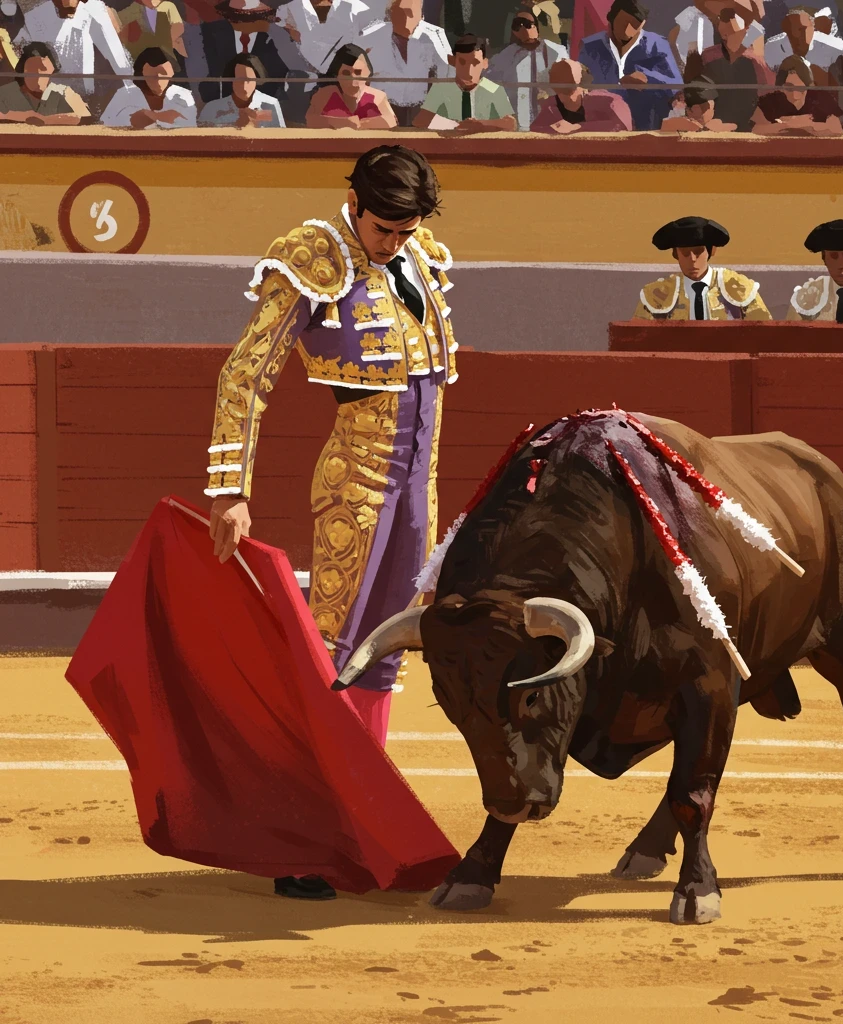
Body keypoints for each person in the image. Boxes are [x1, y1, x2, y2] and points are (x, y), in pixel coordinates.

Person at [205, 145, 458, 899]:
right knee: (329, 653)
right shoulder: (315, 257)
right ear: (353, 201)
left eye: (406, 231)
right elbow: (245, 371)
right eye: (385, 229)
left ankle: (360, 817)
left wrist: (407, 245)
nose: (395, 244)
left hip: (419, 486)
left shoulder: (418, 256)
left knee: (385, 652)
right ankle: (302, 836)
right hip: (358, 482)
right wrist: (228, 489)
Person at [633, 216, 772, 321]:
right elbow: (636, 343)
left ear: (711, 251)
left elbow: (766, 337)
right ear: (675, 254)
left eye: (698, 252)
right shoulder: (656, 294)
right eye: (685, 253)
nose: (692, 259)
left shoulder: (739, 287)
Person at [579, 0, 682, 130]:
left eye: (635, 24)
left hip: (647, 125)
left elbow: (676, 85)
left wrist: (647, 79)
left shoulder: (657, 44)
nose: (628, 29)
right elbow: (579, 84)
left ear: (643, 23)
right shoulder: (590, 46)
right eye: (623, 22)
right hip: (603, 125)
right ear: (611, 19)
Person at [15, 0, 132, 103]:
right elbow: (21, 56)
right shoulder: (34, 17)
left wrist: (132, 89)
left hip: (84, 96)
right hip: (47, 97)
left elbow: (117, 56)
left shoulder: (95, 10)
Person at [358, 0, 452, 126]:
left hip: (420, 108)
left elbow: (446, 76)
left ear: (421, 15)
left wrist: (430, 111)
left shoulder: (434, 36)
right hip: (379, 107)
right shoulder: (369, 36)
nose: (405, 19)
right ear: (390, 14)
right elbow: (357, 72)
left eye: (410, 13)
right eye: (399, 13)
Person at [486, 3, 568, 131]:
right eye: (518, 26)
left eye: (528, 24)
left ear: (537, 26)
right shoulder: (506, 56)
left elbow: (568, 84)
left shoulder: (556, 52)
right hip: (517, 124)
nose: (524, 30)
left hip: (551, 123)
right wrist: (502, 101)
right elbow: (487, 83)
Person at [413, 35, 516, 132]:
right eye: (462, 62)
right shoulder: (441, 88)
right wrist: (455, 126)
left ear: (485, 63)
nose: (469, 71)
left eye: (475, 63)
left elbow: (511, 123)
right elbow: (420, 121)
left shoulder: (493, 89)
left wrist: (480, 124)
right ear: (452, 61)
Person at [198, 0, 291, 104]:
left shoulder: (274, 37)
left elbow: (280, 76)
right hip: (219, 103)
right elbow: (203, 73)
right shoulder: (211, 32)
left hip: (264, 104)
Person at [698, 7, 773, 130]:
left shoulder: (755, 60)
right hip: (716, 122)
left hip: (749, 123)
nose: (729, 39)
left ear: (745, 31)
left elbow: (767, 94)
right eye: (725, 35)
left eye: (735, 33)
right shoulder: (709, 56)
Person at [100, 45, 198, 127]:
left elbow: (189, 125)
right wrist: (157, 117)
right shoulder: (124, 94)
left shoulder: (183, 95)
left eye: (163, 74)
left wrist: (151, 117)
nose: (159, 81)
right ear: (141, 75)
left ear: (171, 73)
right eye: (153, 76)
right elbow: (105, 123)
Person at [305, 41, 398, 126]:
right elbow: (310, 120)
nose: (352, 79)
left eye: (358, 72)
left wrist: (359, 124)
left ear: (368, 73)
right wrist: (345, 123)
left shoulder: (378, 97)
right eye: (346, 73)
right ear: (337, 75)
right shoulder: (324, 95)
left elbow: (391, 121)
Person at [274, 0, 377, 77]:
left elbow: (372, 38)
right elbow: (278, 19)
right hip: (311, 74)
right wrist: (291, 32)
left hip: (351, 74)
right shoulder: (294, 5)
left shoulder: (355, 7)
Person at [530, 56, 634, 130]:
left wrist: (577, 127)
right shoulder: (551, 106)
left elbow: (624, 124)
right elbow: (535, 129)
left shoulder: (608, 101)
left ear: (582, 80)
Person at [0, 40, 90, 123]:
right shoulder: (5, 93)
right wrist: (24, 117)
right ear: (23, 70)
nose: (38, 74)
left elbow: (86, 118)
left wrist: (44, 120)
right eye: (32, 69)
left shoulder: (63, 92)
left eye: (43, 69)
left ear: (52, 70)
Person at [752, 52, 843, 130]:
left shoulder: (822, 98)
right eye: (789, 88)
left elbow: (837, 129)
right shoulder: (769, 101)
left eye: (801, 89)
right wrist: (789, 125)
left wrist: (805, 125)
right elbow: (756, 129)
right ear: (780, 87)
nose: (795, 95)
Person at [198, 52, 286, 125]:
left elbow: (281, 141)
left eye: (249, 80)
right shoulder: (212, 109)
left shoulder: (270, 104)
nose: (244, 86)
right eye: (239, 80)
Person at [764, 5, 843, 70]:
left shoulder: (834, 47)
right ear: (786, 30)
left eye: (804, 29)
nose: (798, 35)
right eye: (796, 29)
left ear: (813, 28)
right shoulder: (771, 48)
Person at [113, 0, 186, 64]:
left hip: (169, 54)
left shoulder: (168, 6)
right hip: (146, 57)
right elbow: (119, 25)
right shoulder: (133, 9)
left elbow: (178, 27)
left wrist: (165, 42)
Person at [659, 75, 738, 127]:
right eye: (704, 108)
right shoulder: (675, 121)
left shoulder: (714, 124)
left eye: (710, 109)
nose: (710, 112)